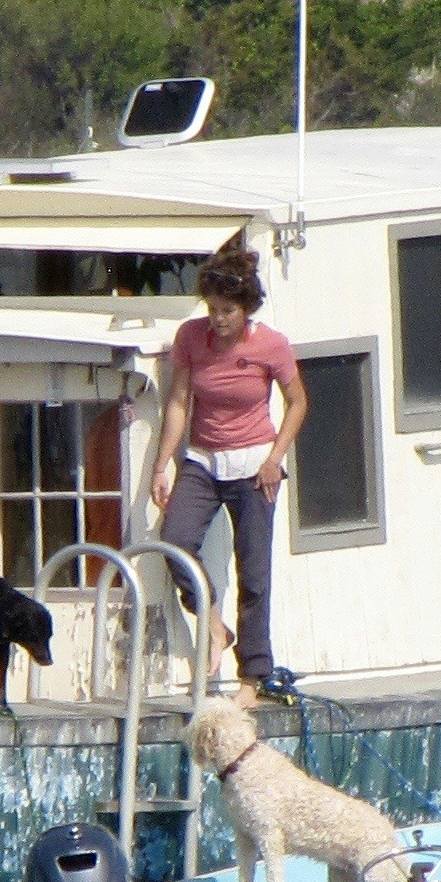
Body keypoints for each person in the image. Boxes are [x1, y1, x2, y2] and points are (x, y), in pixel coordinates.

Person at [148, 237, 305, 693]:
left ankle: (252, 676)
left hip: (256, 465)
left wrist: (276, 458)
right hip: (202, 460)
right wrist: (164, 466)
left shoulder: (271, 346)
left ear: (246, 308)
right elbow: (179, 402)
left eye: (227, 311)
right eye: (212, 308)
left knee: (254, 570)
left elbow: (297, 403)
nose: (217, 319)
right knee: (175, 540)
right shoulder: (191, 337)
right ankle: (214, 623)